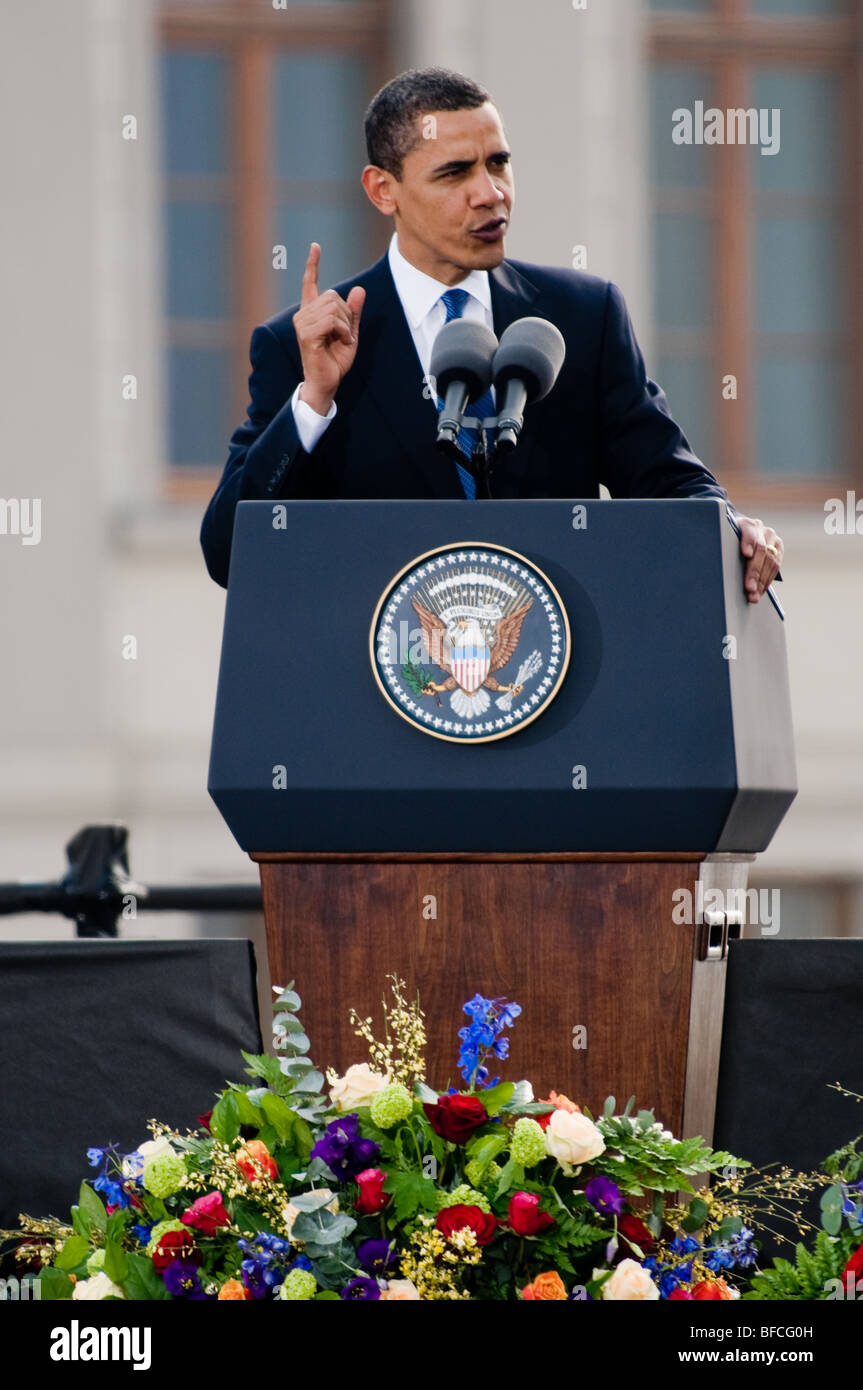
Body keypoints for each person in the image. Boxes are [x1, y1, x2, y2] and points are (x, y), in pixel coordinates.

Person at [200, 66, 783, 597]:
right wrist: (313, 401)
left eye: (498, 163)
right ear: (384, 191)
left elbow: (665, 478)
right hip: (389, 682)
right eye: (455, 173)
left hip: (558, 679)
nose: (491, 193)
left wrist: (730, 526)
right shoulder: (304, 345)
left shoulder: (582, 316)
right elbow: (230, 553)